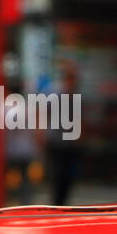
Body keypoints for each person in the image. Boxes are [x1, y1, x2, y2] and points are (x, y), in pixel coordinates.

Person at [47, 60, 80, 205]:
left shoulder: (75, 94)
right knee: (57, 174)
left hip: (70, 142)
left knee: (68, 176)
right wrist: (40, 132)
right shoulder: (55, 93)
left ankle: (62, 202)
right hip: (55, 140)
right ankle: (56, 203)